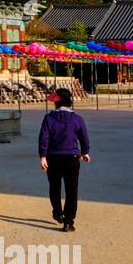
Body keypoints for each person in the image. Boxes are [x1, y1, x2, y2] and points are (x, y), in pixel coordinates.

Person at [38, 87, 91, 232]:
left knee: (54, 186)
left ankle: (57, 212)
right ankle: (68, 221)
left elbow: (44, 138)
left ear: (57, 102)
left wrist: (43, 156)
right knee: (71, 190)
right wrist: (85, 152)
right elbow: (84, 137)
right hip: (72, 158)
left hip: (53, 157)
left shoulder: (48, 118)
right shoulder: (77, 119)